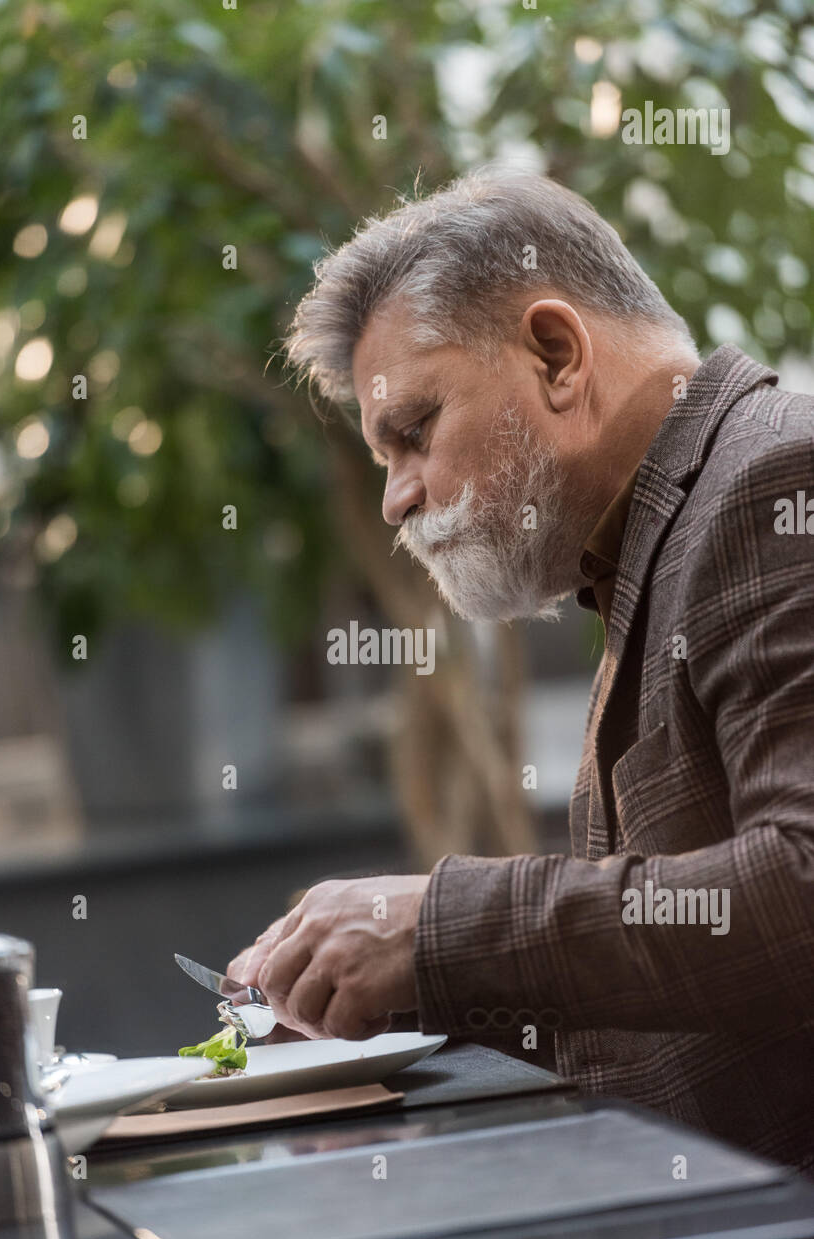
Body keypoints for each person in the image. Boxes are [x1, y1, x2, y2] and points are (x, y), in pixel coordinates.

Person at [230, 164, 814, 1173]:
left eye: (413, 433)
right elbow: (665, 992)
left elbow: (799, 889)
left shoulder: (770, 482)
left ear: (555, 354)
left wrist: (436, 928)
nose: (394, 501)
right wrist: (398, 989)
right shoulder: (651, 543)